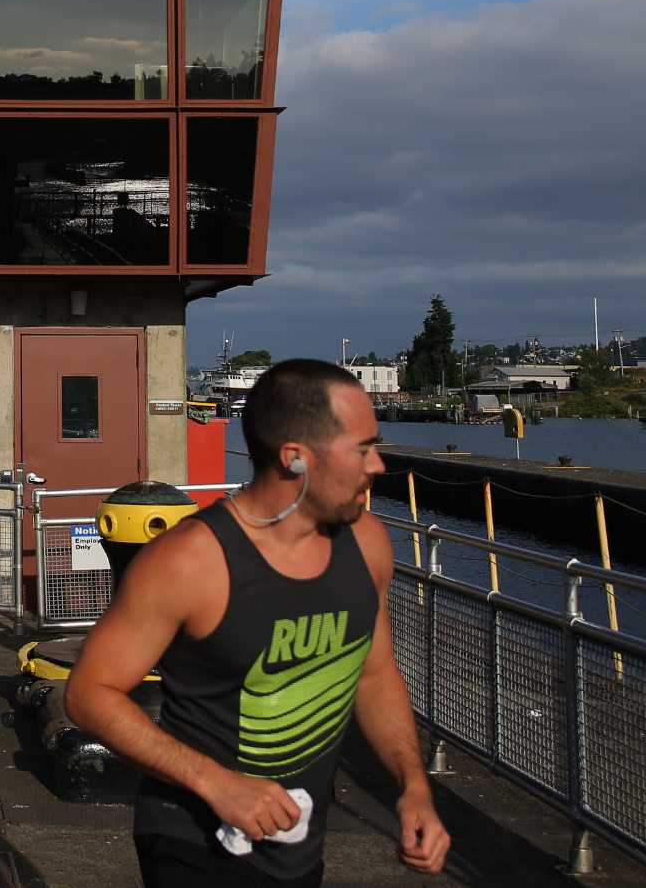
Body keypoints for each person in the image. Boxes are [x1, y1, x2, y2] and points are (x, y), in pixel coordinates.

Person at [65, 359, 450, 886]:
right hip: (192, 840)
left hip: (297, 846)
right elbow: (89, 693)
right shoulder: (192, 560)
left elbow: (375, 675)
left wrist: (414, 788)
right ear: (295, 457)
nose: (377, 465)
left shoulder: (368, 545)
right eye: (362, 449)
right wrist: (217, 784)